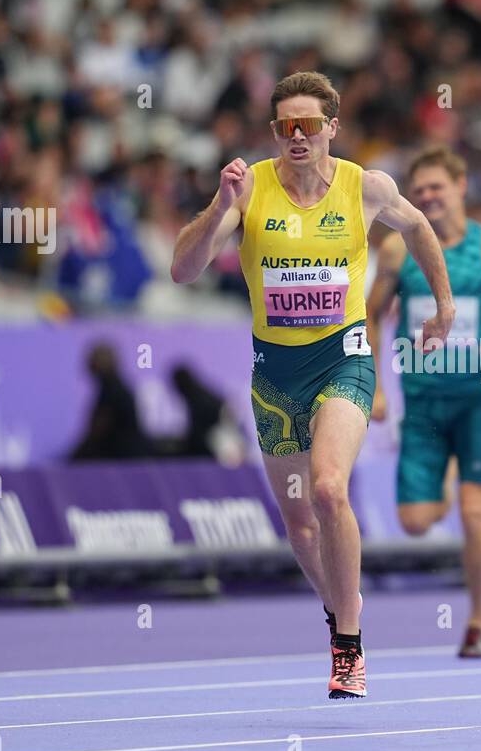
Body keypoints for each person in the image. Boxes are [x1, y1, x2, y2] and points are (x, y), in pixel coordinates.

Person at [172, 72, 454, 698]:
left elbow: (418, 229)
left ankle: (349, 646)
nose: (296, 136)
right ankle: (338, 612)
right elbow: (182, 272)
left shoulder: (366, 187)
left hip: (343, 361)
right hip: (275, 377)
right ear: (274, 132)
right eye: (284, 126)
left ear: (332, 128)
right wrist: (220, 207)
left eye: (308, 125)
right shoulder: (249, 193)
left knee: (330, 488)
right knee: (300, 525)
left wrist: (444, 303)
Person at [365, 146, 481, 658]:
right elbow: (368, 318)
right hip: (423, 405)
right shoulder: (395, 252)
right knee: (414, 522)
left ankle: (478, 622)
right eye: (419, 190)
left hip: (478, 401)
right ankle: (443, 479)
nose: (427, 197)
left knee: (476, 514)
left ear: (461, 186)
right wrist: (376, 384)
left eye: (436, 188)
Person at [70, 343, 153, 461]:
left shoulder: (113, 391)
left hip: (120, 458)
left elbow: (99, 429)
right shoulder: (113, 388)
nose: (89, 364)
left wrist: (77, 456)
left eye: (93, 360)